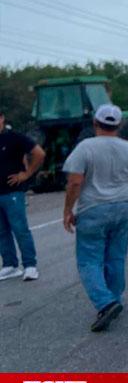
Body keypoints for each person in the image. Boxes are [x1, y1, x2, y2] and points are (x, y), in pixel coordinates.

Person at [62, 105, 128, 332]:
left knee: (89, 260)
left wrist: (68, 209)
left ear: (96, 123)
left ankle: (105, 302)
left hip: (93, 209)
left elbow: (75, 182)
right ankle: (115, 298)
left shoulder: (85, 147)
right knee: (116, 257)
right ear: (118, 125)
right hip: (123, 207)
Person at [0, 109, 44, 281]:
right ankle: (9, 265)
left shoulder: (15, 138)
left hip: (13, 193)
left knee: (20, 229)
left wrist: (26, 174)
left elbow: (39, 153)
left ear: (2, 118)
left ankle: (30, 265)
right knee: (1, 232)